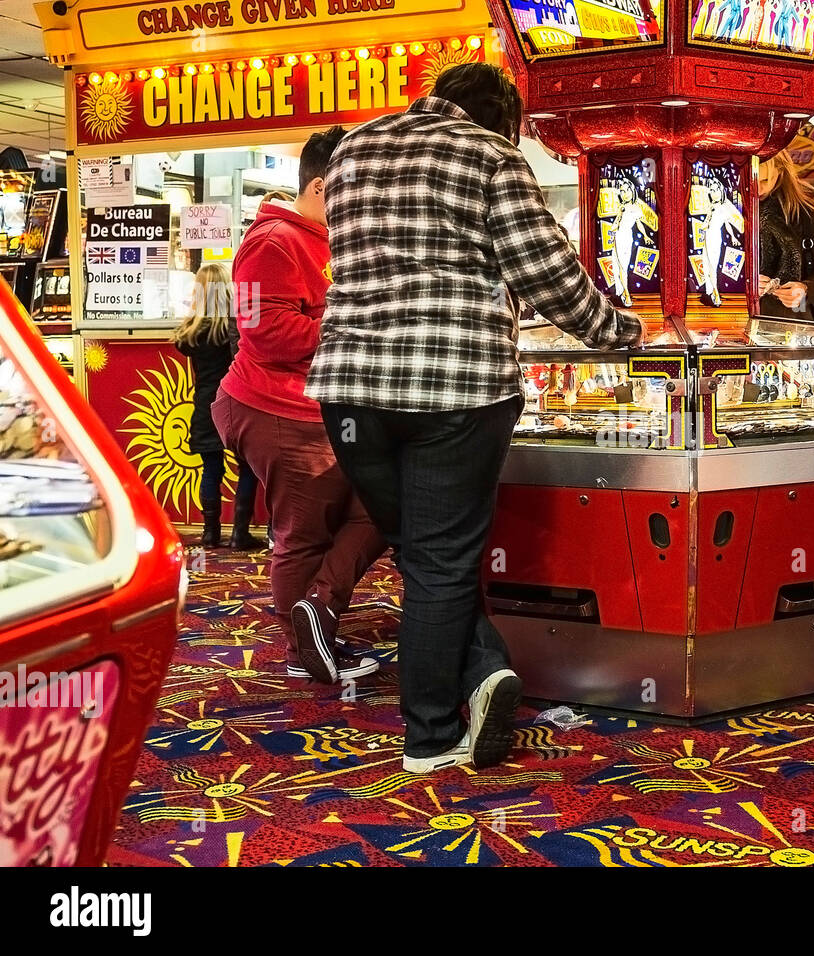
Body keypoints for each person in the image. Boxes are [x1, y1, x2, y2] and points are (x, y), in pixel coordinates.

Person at [306, 63, 643, 774]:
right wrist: (623, 332)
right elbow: (545, 274)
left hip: (349, 392)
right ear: (505, 119)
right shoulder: (490, 155)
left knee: (425, 559)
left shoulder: (354, 149)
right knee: (443, 564)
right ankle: (428, 736)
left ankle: (486, 674)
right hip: (455, 389)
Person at [213, 125, 387, 684]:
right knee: (303, 533)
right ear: (319, 187)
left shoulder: (324, 239)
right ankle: (306, 649)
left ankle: (318, 614)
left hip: (323, 409)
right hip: (278, 408)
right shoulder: (272, 243)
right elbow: (268, 334)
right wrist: (355, 323)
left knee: (381, 509)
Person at [171, 263, 263, 549]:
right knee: (247, 467)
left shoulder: (190, 332)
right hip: (235, 401)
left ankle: (210, 532)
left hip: (204, 404)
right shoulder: (234, 328)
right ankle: (240, 533)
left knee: (210, 470)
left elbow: (182, 344)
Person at [756, 149, 814, 320]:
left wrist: (804, 290)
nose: (758, 188)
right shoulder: (724, 205)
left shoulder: (805, 208)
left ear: (780, 171)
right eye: (751, 180)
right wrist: (744, 283)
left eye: (765, 180)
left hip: (796, 318)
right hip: (737, 319)